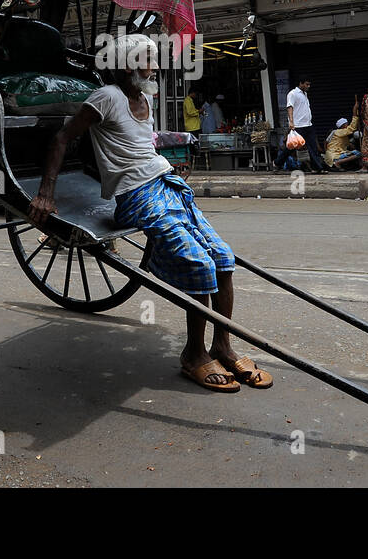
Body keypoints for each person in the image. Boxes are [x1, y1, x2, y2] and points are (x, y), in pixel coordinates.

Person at [29, 34, 272, 393]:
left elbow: (145, 143)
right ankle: (194, 354)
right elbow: (63, 138)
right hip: (135, 196)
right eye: (147, 59)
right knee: (199, 263)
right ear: (127, 63)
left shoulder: (145, 98)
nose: (155, 67)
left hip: (167, 185)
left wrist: (173, 148)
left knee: (221, 257)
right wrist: (46, 193)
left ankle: (222, 345)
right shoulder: (107, 97)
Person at [286, 76, 327, 173]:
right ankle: (278, 162)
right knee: (291, 147)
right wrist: (291, 122)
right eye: (306, 84)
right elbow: (289, 107)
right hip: (298, 126)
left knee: (313, 147)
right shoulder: (293, 94)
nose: (308, 86)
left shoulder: (304, 94)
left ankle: (318, 168)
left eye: (309, 84)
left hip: (308, 125)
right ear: (301, 83)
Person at [325, 103, 361, 171]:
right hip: (334, 155)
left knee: (353, 152)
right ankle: (337, 163)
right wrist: (355, 110)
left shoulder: (339, 134)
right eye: (347, 124)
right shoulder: (339, 132)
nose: (348, 125)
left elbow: (326, 142)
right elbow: (352, 128)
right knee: (358, 154)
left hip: (331, 155)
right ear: (343, 125)